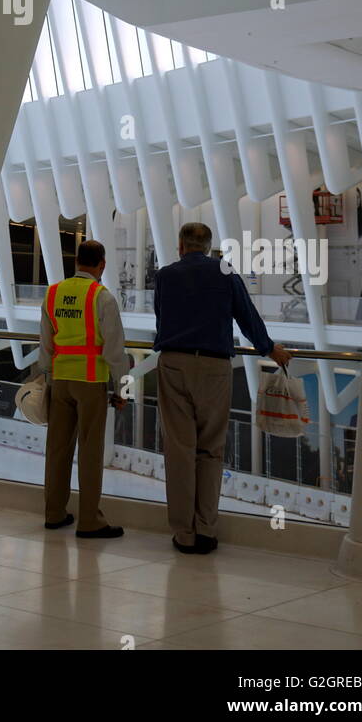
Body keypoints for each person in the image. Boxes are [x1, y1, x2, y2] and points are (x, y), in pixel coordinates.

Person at [154, 222, 290, 555]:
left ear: (181, 246)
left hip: (173, 363)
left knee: (179, 451)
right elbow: (247, 317)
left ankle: (183, 533)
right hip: (214, 367)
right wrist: (270, 349)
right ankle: (206, 530)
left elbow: (161, 316)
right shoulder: (226, 271)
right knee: (210, 449)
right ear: (209, 246)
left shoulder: (165, 275)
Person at [38, 239, 129, 538]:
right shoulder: (101, 297)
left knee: (57, 449)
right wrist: (122, 388)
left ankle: (54, 513)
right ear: (101, 265)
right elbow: (114, 351)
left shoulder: (52, 294)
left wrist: (49, 378)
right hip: (90, 383)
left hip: (60, 380)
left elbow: (46, 345)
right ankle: (90, 520)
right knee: (90, 451)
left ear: (77, 262)